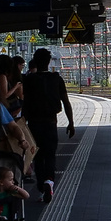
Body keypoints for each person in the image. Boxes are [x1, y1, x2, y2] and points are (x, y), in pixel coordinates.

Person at [19, 48, 73, 201]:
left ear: (35, 61)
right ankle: (50, 181)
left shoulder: (29, 80)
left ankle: (42, 187)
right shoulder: (57, 79)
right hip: (51, 123)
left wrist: (22, 124)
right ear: (49, 62)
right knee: (50, 155)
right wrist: (71, 122)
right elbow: (66, 102)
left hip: (34, 124)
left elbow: (25, 102)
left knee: (37, 156)